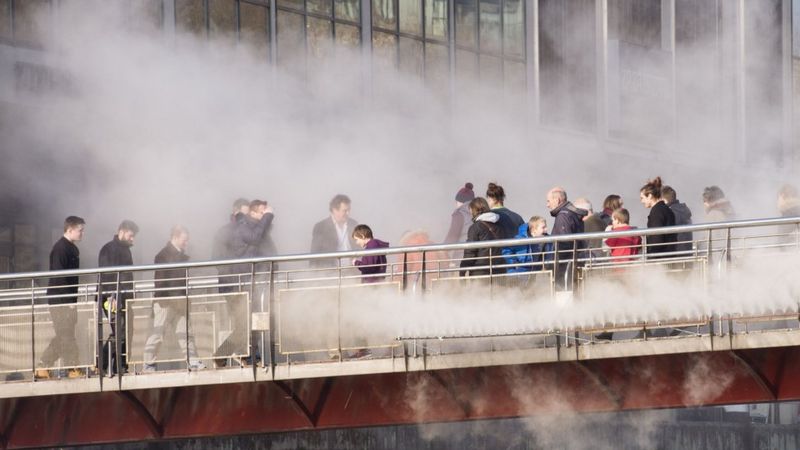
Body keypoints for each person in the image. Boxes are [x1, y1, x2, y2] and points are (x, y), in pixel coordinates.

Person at [142, 226, 204, 371]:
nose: (186, 243)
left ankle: (193, 361)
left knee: (186, 332)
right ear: (175, 237)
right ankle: (148, 363)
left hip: (179, 300)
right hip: (166, 302)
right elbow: (160, 281)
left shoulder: (178, 255)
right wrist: (163, 300)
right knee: (158, 333)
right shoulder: (163, 256)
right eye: (184, 240)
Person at [36, 216, 85, 379]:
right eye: (80, 230)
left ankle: (43, 366)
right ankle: (72, 368)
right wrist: (69, 301)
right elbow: (60, 277)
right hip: (60, 300)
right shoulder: (60, 248)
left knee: (63, 334)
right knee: (66, 334)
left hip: (65, 299)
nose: (82, 233)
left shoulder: (71, 248)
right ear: (69, 229)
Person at [97, 219, 139, 375]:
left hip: (123, 297)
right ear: (121, 231)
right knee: (121, 332)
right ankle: (102, 363)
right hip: (112, 298)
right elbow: (107, 274)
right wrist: (111, 296)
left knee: (126, 331)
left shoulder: (125, 249)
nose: (132, 239)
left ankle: (120, 366)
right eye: (131, 235)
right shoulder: (109, 249)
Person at [547, 187, 587, 288]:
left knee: (564, 289)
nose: (547, 205)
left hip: (564, 265)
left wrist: (554, 262)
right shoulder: (571, 213)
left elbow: (565, 243)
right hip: (574, 260)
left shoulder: (563, 216)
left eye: (549, 201)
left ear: (557, 200)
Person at [459, 197, 505, 277]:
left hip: (480, 271)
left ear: (474, 210)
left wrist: (462, 270)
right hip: (499, 269)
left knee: (480, 290)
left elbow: (470, 252)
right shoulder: (499, 225)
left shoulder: (475, 227)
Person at [212, 198, 249, 294]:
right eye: (243, 215)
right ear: (235, 212)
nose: (246, 218)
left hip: (247, 282)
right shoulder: (224, 231)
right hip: (228, 284)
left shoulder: (249, 232)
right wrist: (230, 276)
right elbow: (216, 257)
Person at [310, 194, 359, 268]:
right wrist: (313, 273)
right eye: (345, 211)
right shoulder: (321, 227)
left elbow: (360, 248)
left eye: (349, 210)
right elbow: (314, 254)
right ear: (334, 210)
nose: (348, 213)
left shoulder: (354, 224)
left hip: (352, 270)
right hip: (331, 273)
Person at [639, 177, 677, 257]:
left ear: (650, 196)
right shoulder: (666, 209)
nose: (641, 201)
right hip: (669, 254)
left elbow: (656, 239)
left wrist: (651, 256)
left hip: (661, 257)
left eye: (642, 198)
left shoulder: (657, 212)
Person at [444, 182, 475, 262]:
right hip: (478, 256)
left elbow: (452, 236)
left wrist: (442, 250)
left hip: (462, 257)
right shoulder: (477, 212)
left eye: (456, 201)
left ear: (460, 201)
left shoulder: (459, 214)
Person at [661, 186, 693, 254]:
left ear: (664, 200)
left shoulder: (671, 213)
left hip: (676, 253)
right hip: (687, 251)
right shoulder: (683, 210)